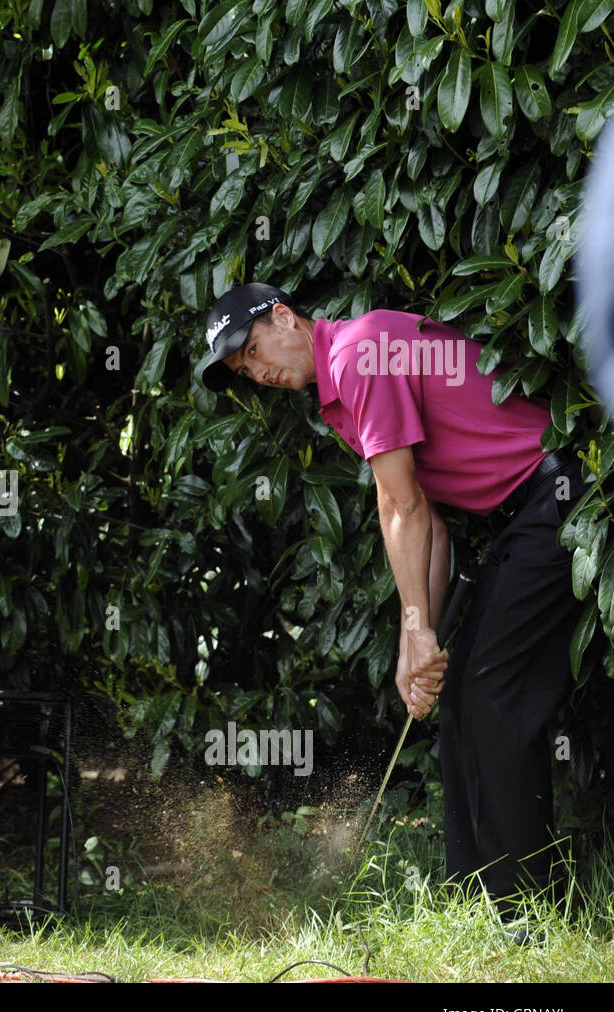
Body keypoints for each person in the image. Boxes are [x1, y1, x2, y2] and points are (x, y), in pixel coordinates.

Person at [198, 282, 584, 915]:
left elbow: (400, 504)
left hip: (562, 496)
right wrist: (420, 638)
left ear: (285, 316)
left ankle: (526, 909)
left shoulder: (359, 353)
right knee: (461, 698)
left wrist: (416, 630)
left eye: (253, 348)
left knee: (493, 694)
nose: (258, 371)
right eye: (244, 370)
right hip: (525, 516)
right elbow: (423, 516)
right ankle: (476, 900)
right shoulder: (340, 390)